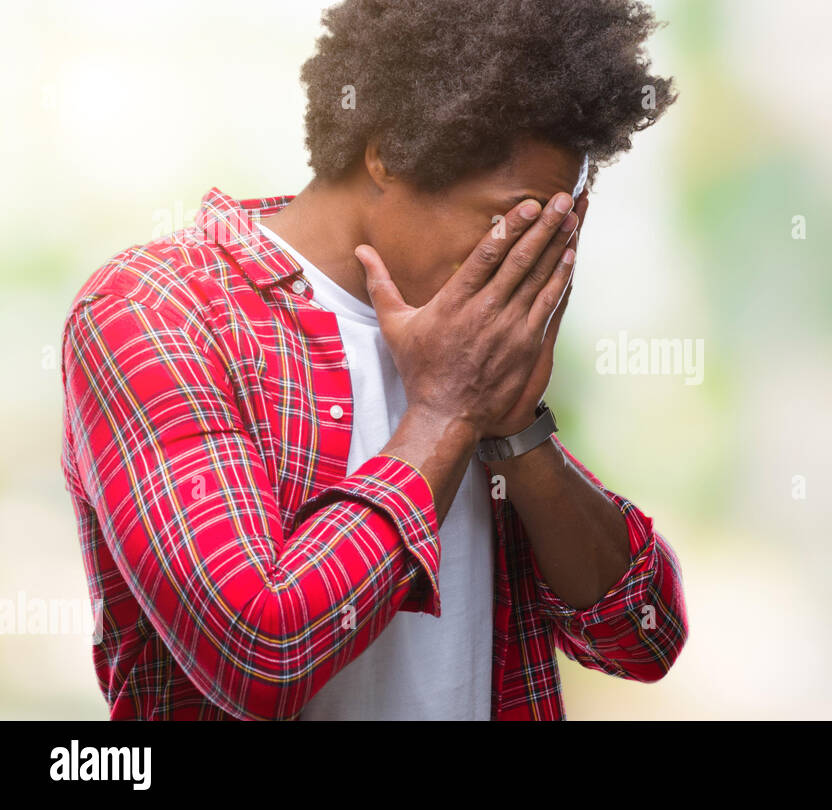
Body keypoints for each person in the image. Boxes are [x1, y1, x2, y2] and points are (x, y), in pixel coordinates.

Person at [58, 0, 687, 720]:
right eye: (515, 217)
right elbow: (261, 653)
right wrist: (446, 412)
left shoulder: (482, 355)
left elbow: (644, 639)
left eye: (557, 225)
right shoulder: (157, 313)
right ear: (387, 154)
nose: (537, 254)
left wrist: (516, 433)